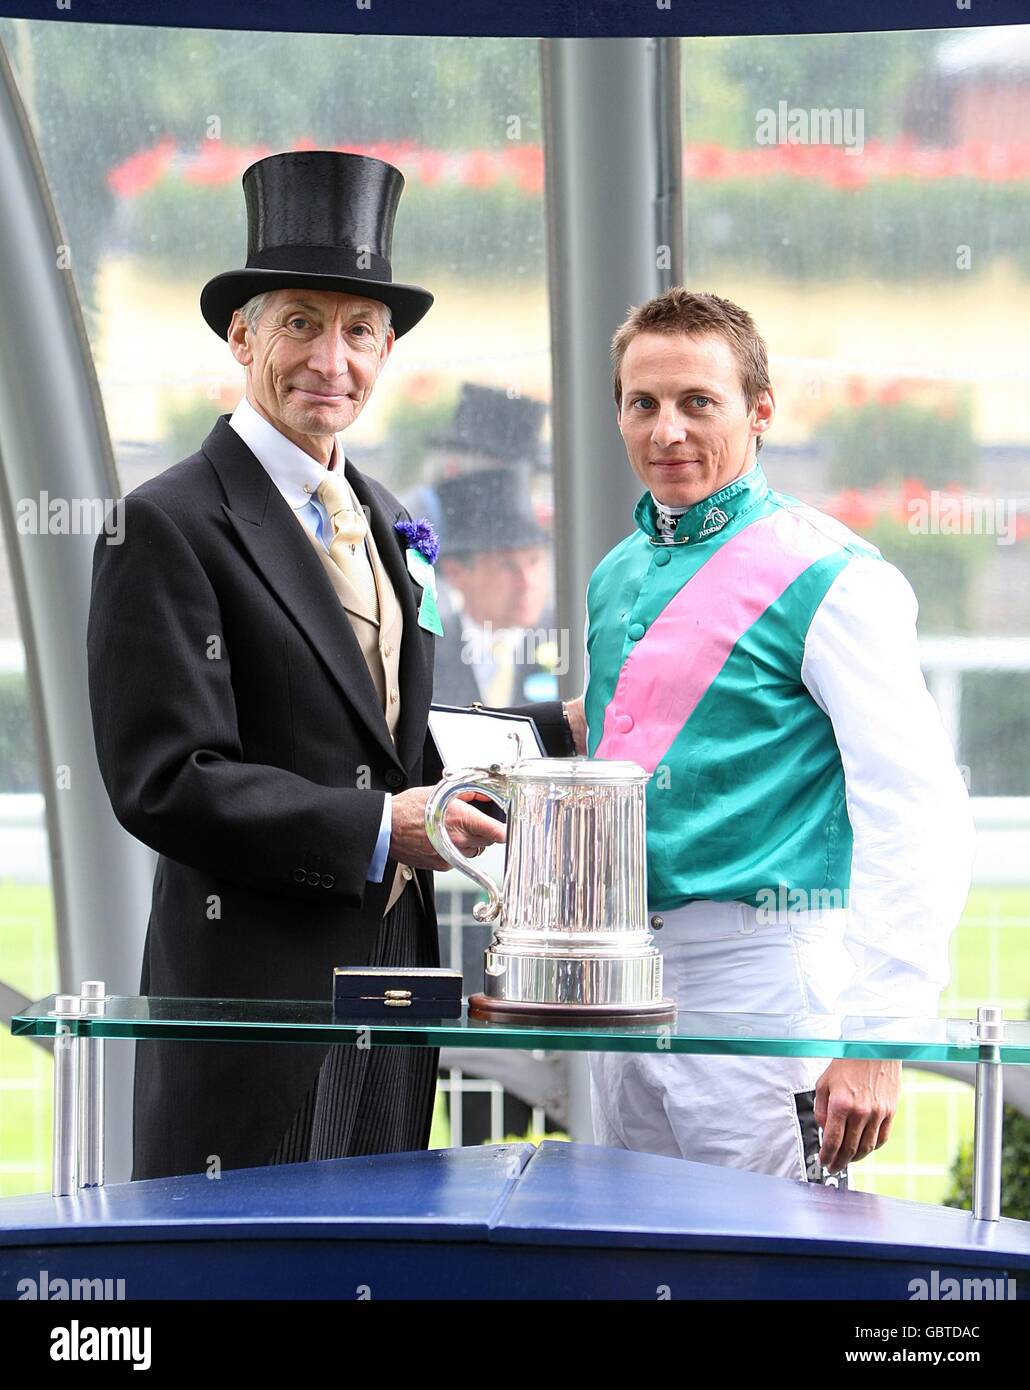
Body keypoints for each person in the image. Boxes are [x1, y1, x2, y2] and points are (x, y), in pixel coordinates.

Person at [86, 150, 575, 1181]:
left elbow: (395, 732)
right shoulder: (166, 523)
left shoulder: (395, 522)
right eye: (300, 321)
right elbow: (165, 780)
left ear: (388, 349)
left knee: (383, 1262)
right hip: (252, 1015)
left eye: (358, 330)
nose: (330, 357)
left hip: (395, 996)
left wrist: (557, 730)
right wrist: (375, 828)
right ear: (242, 335)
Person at [578, 287, 975, 1184]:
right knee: (626, 1255)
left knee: (766, 1269)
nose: (666, 430)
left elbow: (915, 805)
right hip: (625, 977)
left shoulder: (831, 573)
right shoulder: (616, 572)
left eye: (697, 403)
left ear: (760, 412)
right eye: (643, 403)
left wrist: (878, 1036)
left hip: (764, 976)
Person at [431, 467, 558, 708]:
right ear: (456, 573)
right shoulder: (428, 654)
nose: (527, 581)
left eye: (534, 561)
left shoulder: (572, 637)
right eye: (507, 565)